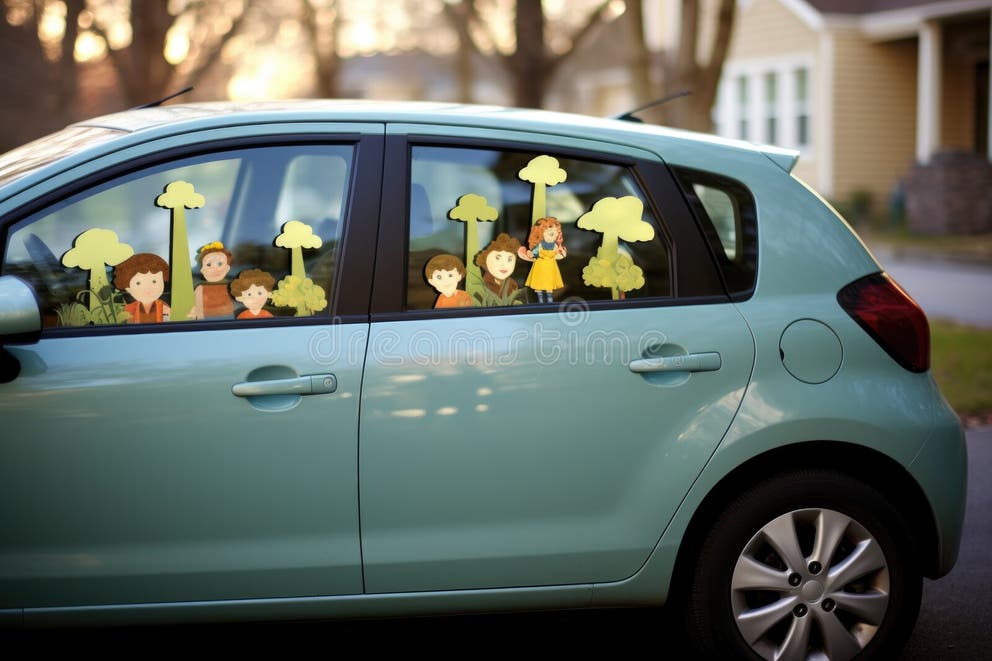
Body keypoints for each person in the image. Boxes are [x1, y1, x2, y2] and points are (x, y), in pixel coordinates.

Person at [518, 217, 566, 303]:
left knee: (549, 286)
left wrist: (561, 253)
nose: (554, 236)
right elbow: (534, 254)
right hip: (540, 267)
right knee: (539, 285)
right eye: (551, 234)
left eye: (555, 234)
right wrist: (531, 254)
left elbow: (558, 255)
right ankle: (541, 302)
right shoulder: (540, 246)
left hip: (551, 268)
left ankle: (549, 301)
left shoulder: (554, 246)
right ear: (541, 234)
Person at [113, 253, 171, 323]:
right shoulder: (128, 310)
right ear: (128, 288)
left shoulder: (165, 309)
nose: (148, 288)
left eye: (154, 281)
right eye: (138, 283)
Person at [190, 241, 234, 319]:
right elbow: (199, 310)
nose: (215, 268)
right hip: (207, 323)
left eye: (220, 264)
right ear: (202, 270)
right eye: (209, 264)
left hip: (228, 321)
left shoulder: (231, 287)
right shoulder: (200, 289)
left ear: (227, 269)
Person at [476, 233, 521, 300]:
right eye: (497, 258)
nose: (504, 264)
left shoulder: (513, 285)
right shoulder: (480, 285)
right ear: (485, 258)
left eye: (509, 259)